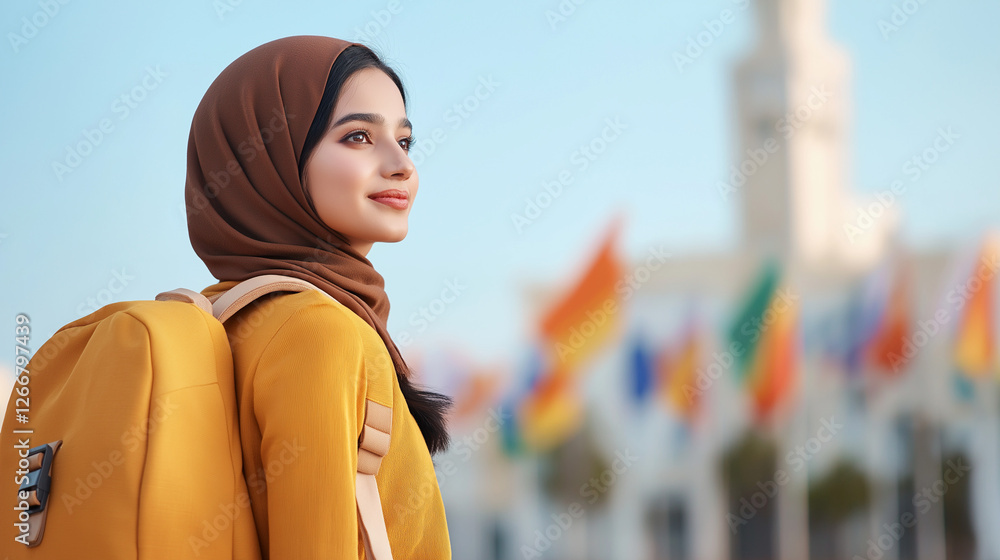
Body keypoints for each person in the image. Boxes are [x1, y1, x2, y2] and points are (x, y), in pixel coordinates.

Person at [184, 35, 453, 559]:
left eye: (404, 141)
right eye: (358, 137)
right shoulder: (317, 330)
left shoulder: (225, 318)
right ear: (268, 160)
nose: (401, 165)